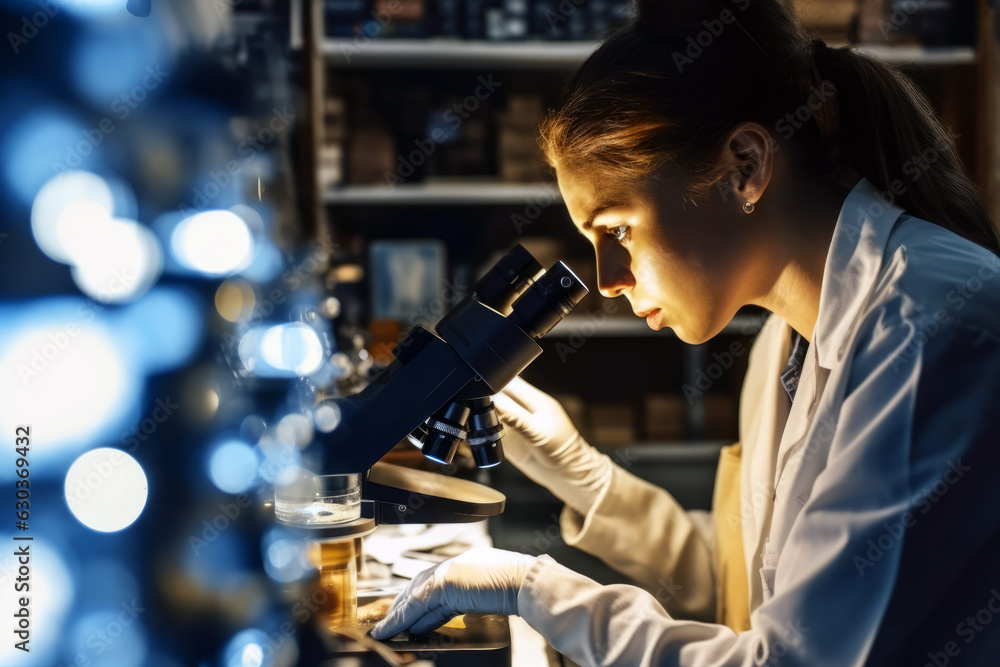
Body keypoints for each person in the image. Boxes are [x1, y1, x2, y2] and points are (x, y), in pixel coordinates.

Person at [371, 0, 1000, 663]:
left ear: (745, 166)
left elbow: (792, 658)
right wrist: (584, 475)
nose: (607, 278)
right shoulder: (783, 344)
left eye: (616, 229)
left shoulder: (931, 327)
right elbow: (749, 585)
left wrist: (537, 589)